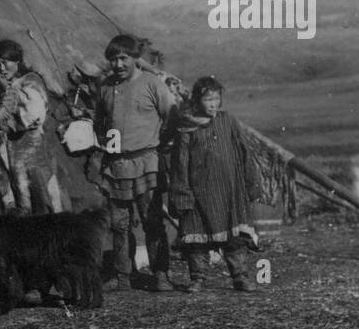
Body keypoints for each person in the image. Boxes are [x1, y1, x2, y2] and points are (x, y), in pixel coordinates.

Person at [93, 33, 175, 292]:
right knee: (119, 223)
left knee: (151, 219)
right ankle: (122, 276)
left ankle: (160, 274)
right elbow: (99, 123)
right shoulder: (106, 87)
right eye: (114, 59)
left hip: (147, 160)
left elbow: (171, 117)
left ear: (135, 58)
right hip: (116, 164)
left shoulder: (152, 83)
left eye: (124, 58)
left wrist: (158, 143)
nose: (118, 65)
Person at [167, 76, 262, 292]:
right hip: (198, 191)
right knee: (196, 238)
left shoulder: (227, 120)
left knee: (234, 237)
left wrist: (250, 181)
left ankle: (240, 276)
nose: (213, 104)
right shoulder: (187, 127)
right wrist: (182, 192)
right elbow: (180, 162)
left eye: (216, 99)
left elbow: (244, 151)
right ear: (197, 101)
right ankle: (197, 278)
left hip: (228, 190)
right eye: (208, 99)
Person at [0, 39, 63, 216]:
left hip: (31, 154)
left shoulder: (31, 83)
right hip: (2, 156)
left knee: (39, 201)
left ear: (17, 61)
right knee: (6, 204)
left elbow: (34, 115)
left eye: (4, 63)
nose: (1, 69)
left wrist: (7, 92)